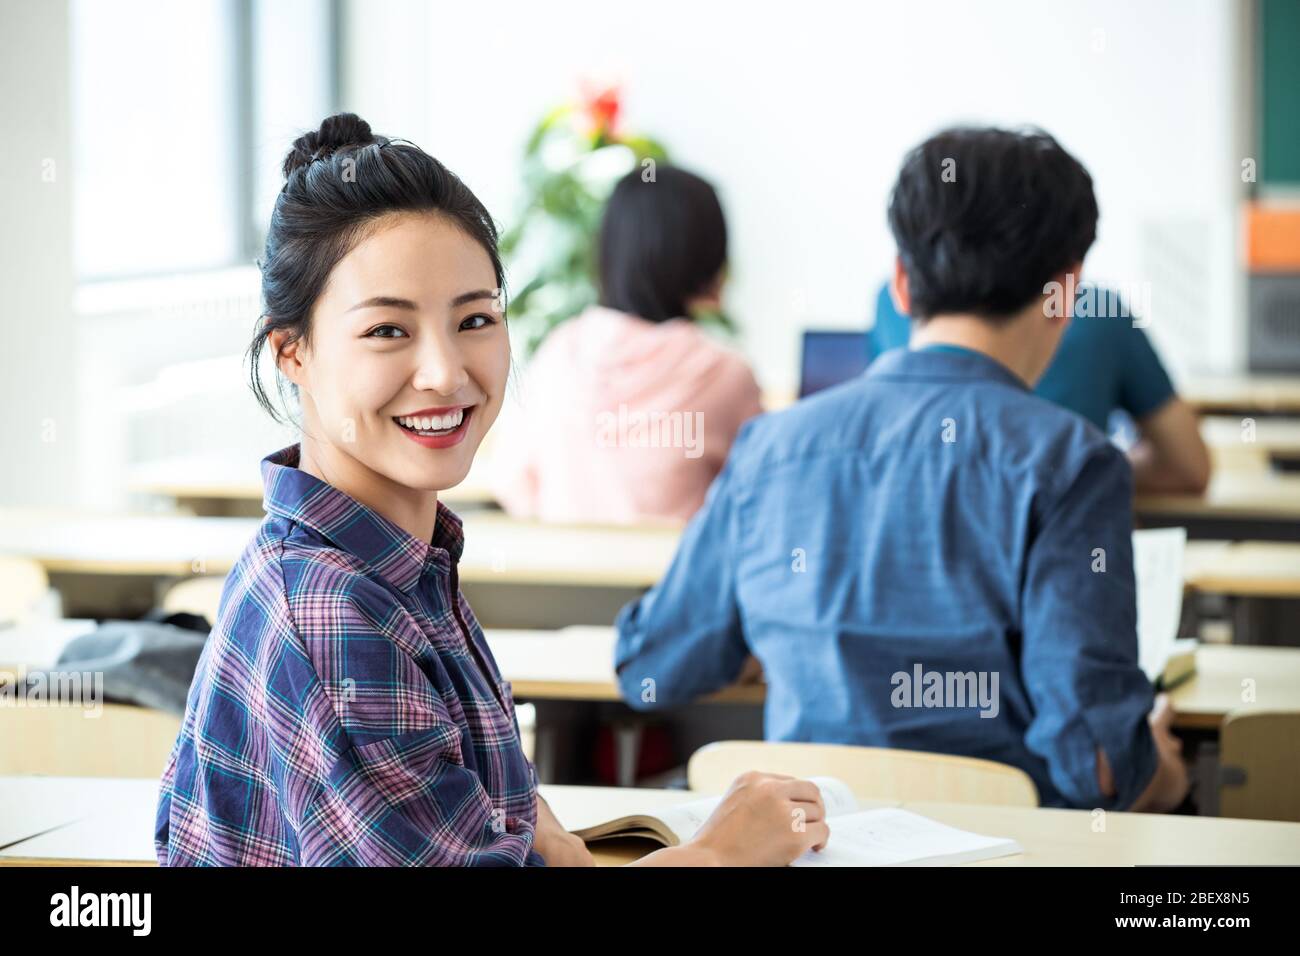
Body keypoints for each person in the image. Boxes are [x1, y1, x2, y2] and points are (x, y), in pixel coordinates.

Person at [154, 113, 829, 866]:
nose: (446, 372)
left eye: (475, 318)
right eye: (387, 331)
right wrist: (721, 856)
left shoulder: (398, 561)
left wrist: (537, 835)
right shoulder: (331, 612)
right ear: (294, 351)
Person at [614, 126, 1189, 813]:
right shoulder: (1073, 462)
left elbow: (652, 664)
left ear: (901, 282)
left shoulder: (772, 447)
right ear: (1065, 290)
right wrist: (1167, 771)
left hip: (814, 850)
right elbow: (1094, 765)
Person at [493, 166, 762, 524]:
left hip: (561, 574)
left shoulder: (557, 351)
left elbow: (513, 484)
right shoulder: (723, 373)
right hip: (672, 577)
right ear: (706, 257)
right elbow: (763, 495)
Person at [870, 283, 1211, 494]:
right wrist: (1091, 471)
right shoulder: (1098, 312)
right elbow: (1188, 466)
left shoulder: (891, 304)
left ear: (902, 276)